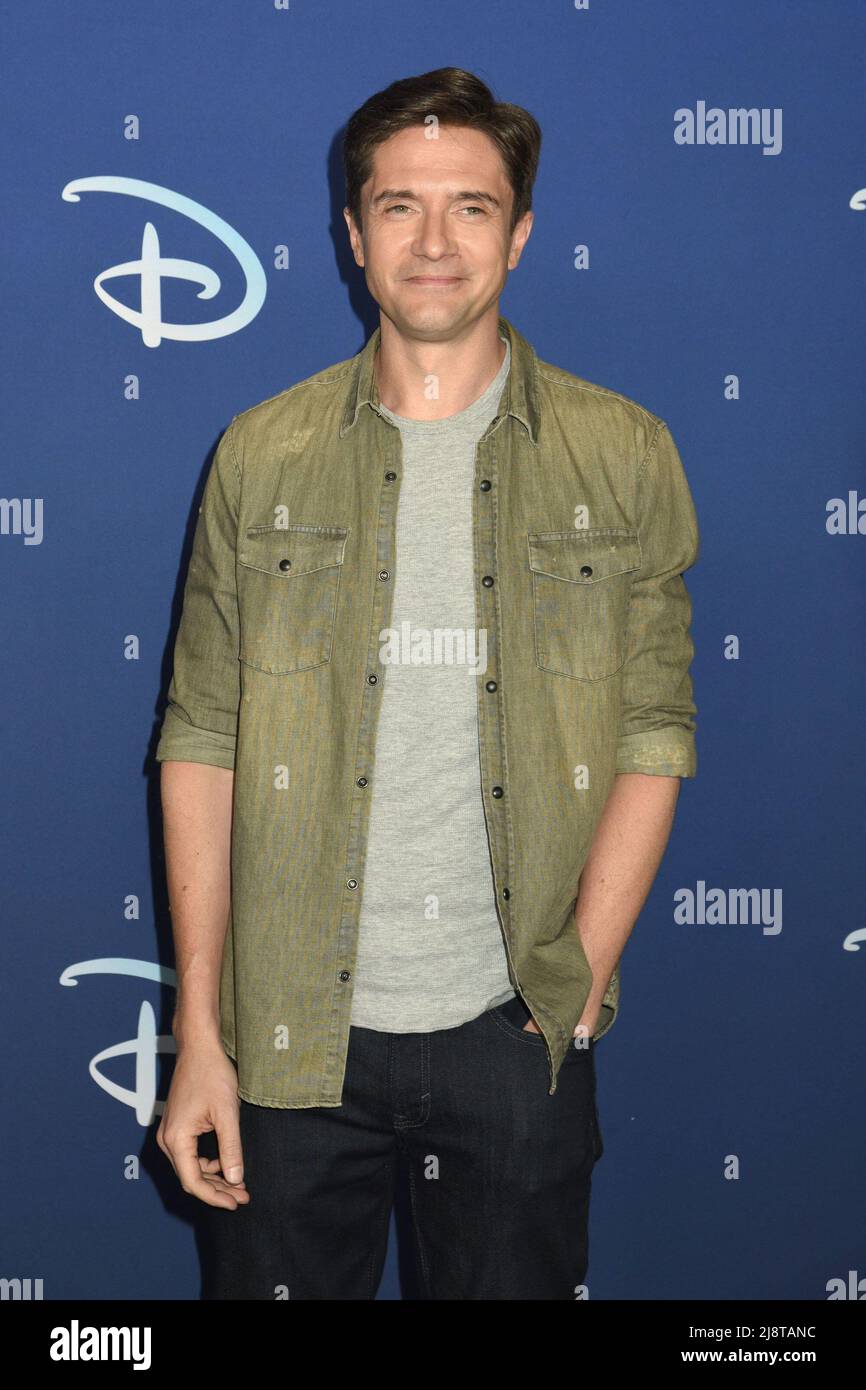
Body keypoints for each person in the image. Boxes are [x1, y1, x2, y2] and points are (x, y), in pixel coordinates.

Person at [154, 66, 700, 1300]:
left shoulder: (621, 456)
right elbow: (200, 733)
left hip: (513, 1029)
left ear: (518, 230)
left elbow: (653, 732)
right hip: (284, 1037)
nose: (435, 240)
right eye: (399, 206)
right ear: (352, 236)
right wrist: (200, 1029)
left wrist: (563, 993)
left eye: (470, 205)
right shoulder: (261, 453)